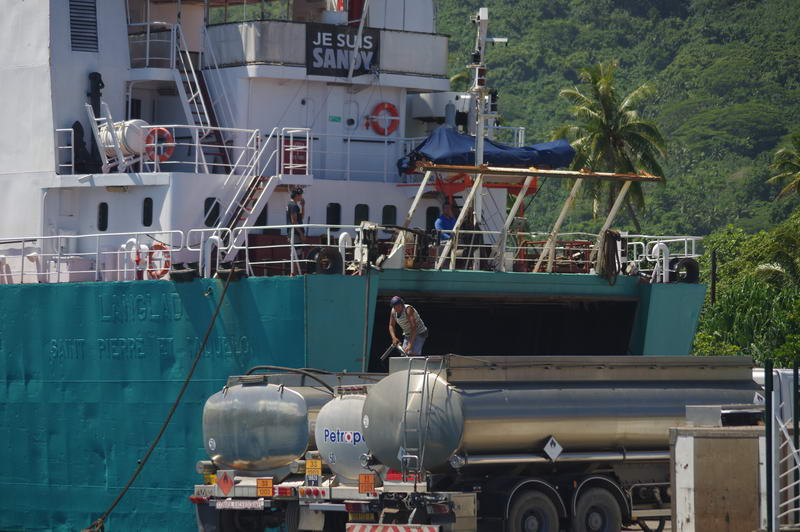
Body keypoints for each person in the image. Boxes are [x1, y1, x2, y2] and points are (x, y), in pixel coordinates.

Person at [286, 187, 306, 274]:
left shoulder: (290, 204)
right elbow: (294, 221)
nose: (301, 197)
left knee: (295, 253)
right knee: (296, 254)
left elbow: (300, 217)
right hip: (295, 233)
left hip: (292, 232)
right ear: (296, 196)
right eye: (300, 195)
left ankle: (294, 272)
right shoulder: (293, 206)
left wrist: (303, 207)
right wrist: (301, 233)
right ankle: (294, 273)